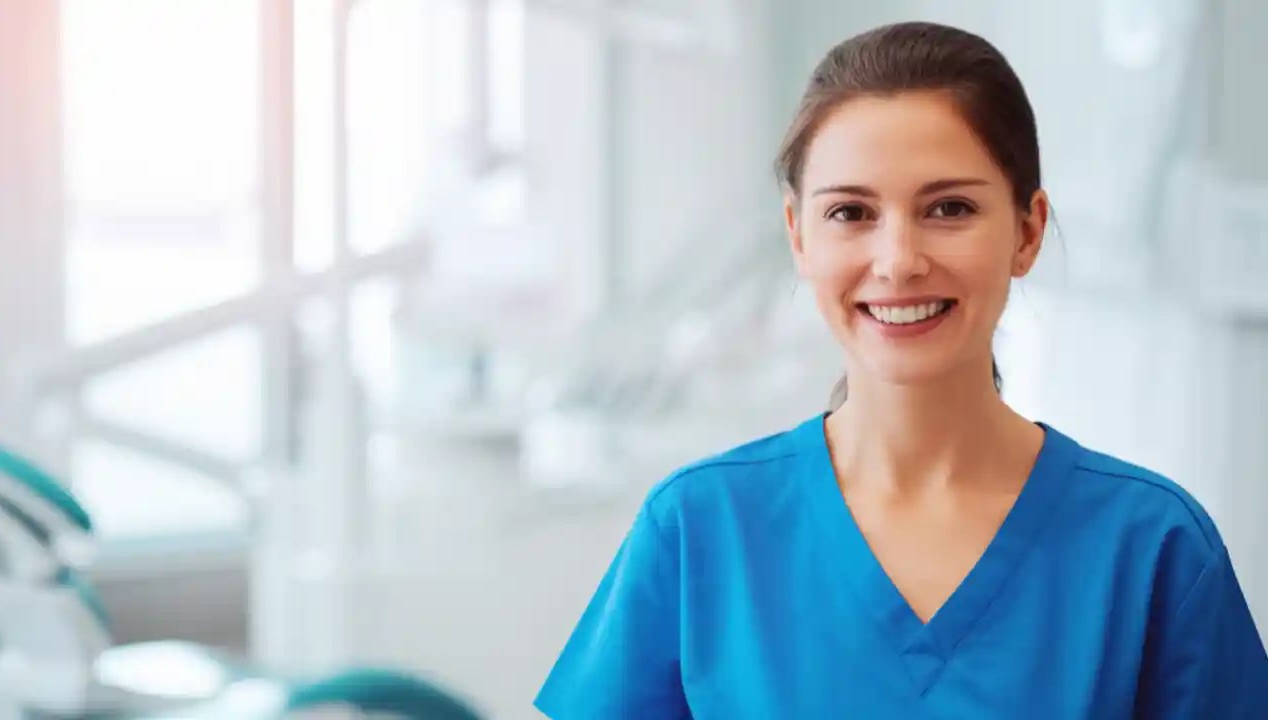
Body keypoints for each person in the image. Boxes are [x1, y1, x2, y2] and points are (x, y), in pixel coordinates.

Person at [534, 21, 1268, 718]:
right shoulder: (699, 531)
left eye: (948, 208)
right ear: (798, 234)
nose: (898, 262)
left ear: (1027, 230)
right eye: (851, 213)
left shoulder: (1152, 549)